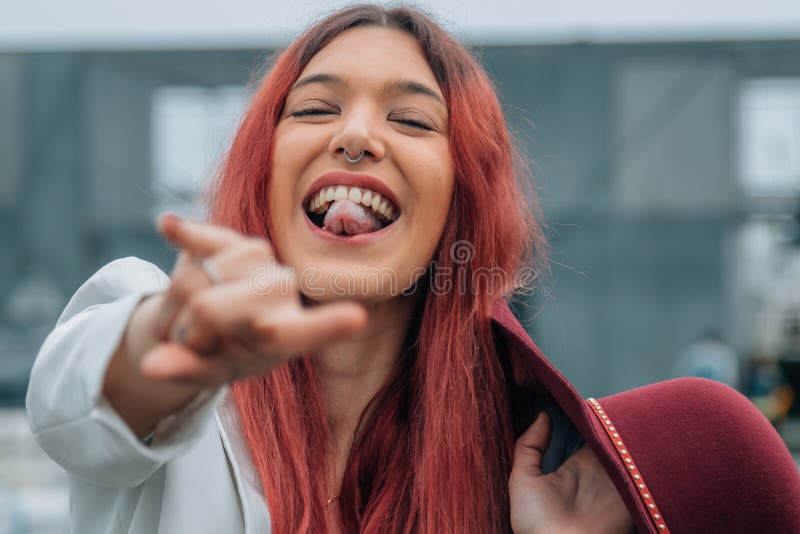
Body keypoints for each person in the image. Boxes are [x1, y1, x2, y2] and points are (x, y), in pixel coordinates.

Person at [26, 5, 800, 534]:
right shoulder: (151, 328)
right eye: (316, 108)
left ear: (458, 204)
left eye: (411, 119)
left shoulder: (519, 477)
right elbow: (78, 401)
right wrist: (175, 350)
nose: (358, 136)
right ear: (264, 170)